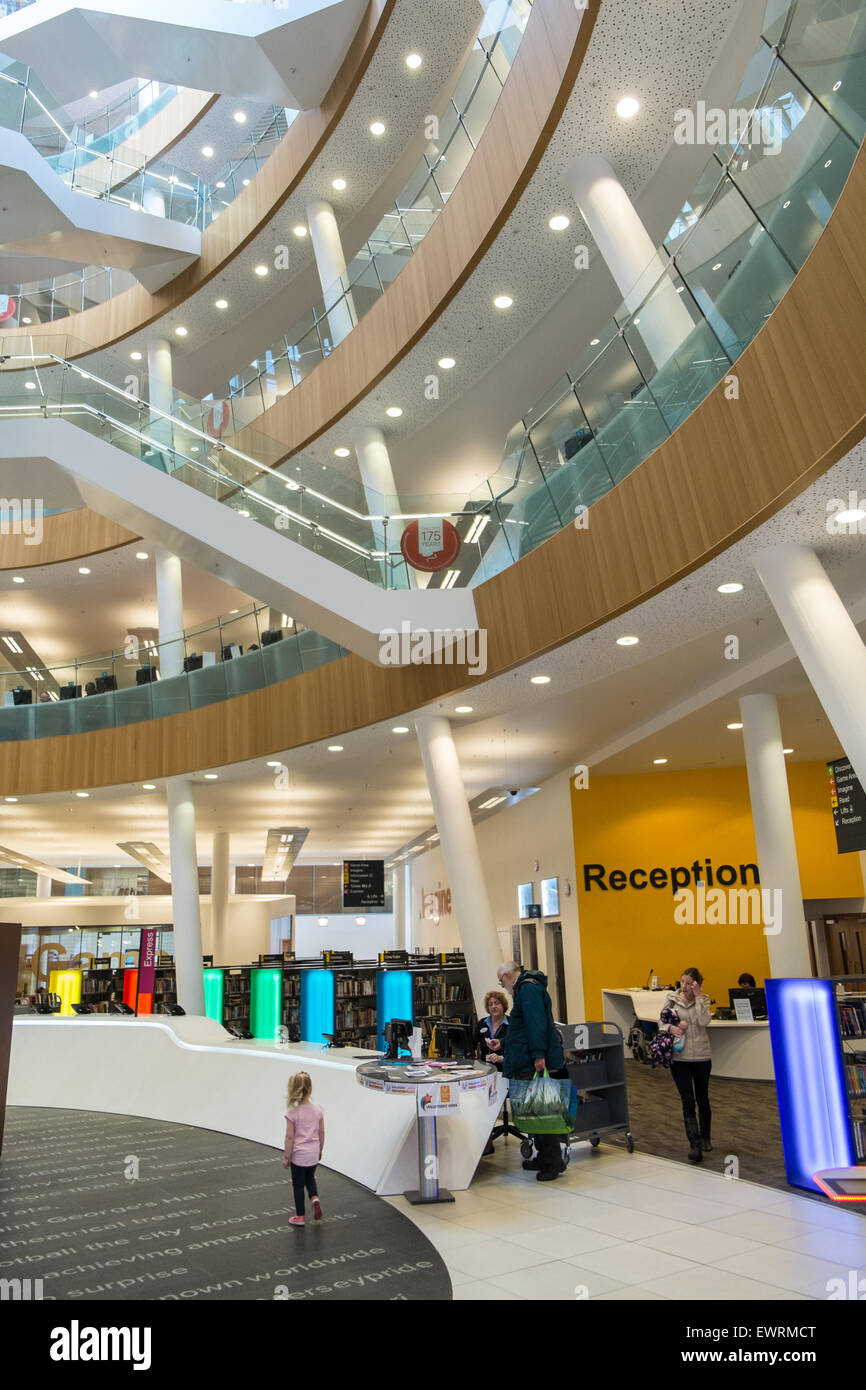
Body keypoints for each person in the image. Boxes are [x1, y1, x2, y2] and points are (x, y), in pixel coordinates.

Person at [497, 960, 568, 1181]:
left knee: (540, 1113)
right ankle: (543, 1156)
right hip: (527, 1058)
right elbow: (523, 1028)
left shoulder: (527, 990)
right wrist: (503, 1043)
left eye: (501, 982)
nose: (503, 987)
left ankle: (553, 1161)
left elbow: (536, 1024)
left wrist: (539, 1055)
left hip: (532, 1062)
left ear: (508, 976)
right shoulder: (528, 988)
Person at [658, 967, 712, 1162]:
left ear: (697, 984)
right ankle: (694, 1143)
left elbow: (704, 1021)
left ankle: (705, 1136)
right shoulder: (672, 999)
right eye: (683, 982)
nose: (685, 986)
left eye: (689, 983)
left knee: (702, 1098)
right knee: (687, 1100)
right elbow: (661, 1022)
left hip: (701, 1057)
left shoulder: (704, 999)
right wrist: (671, 1028)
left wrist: (698, 997)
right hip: (680, 1058)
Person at [282, 1070, 324, 1226]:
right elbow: (321, 1132)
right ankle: (315, 1199)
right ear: (310, 1089)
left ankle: (300, 1216)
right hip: (313, 1154)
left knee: (298, 1185)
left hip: (299, 1156)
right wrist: (320, 1150)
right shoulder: (318, 1110)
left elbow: (290, 1138)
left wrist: (287, 1157)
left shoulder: (292, 1114)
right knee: (310, 1179)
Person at [476, 988, 510, 1156]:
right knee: (479, 1102)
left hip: (505, 1071)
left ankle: (487, 1143)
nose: (494, 1007)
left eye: (497, 1003)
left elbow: (517, 1049)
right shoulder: (482, 1024)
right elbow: (473, 1044)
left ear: (503, 1005)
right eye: (490, 1004)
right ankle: (484, 1139)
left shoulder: (511, 1025)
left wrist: (502, 1058)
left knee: (489, 1101)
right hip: (486, 1072)